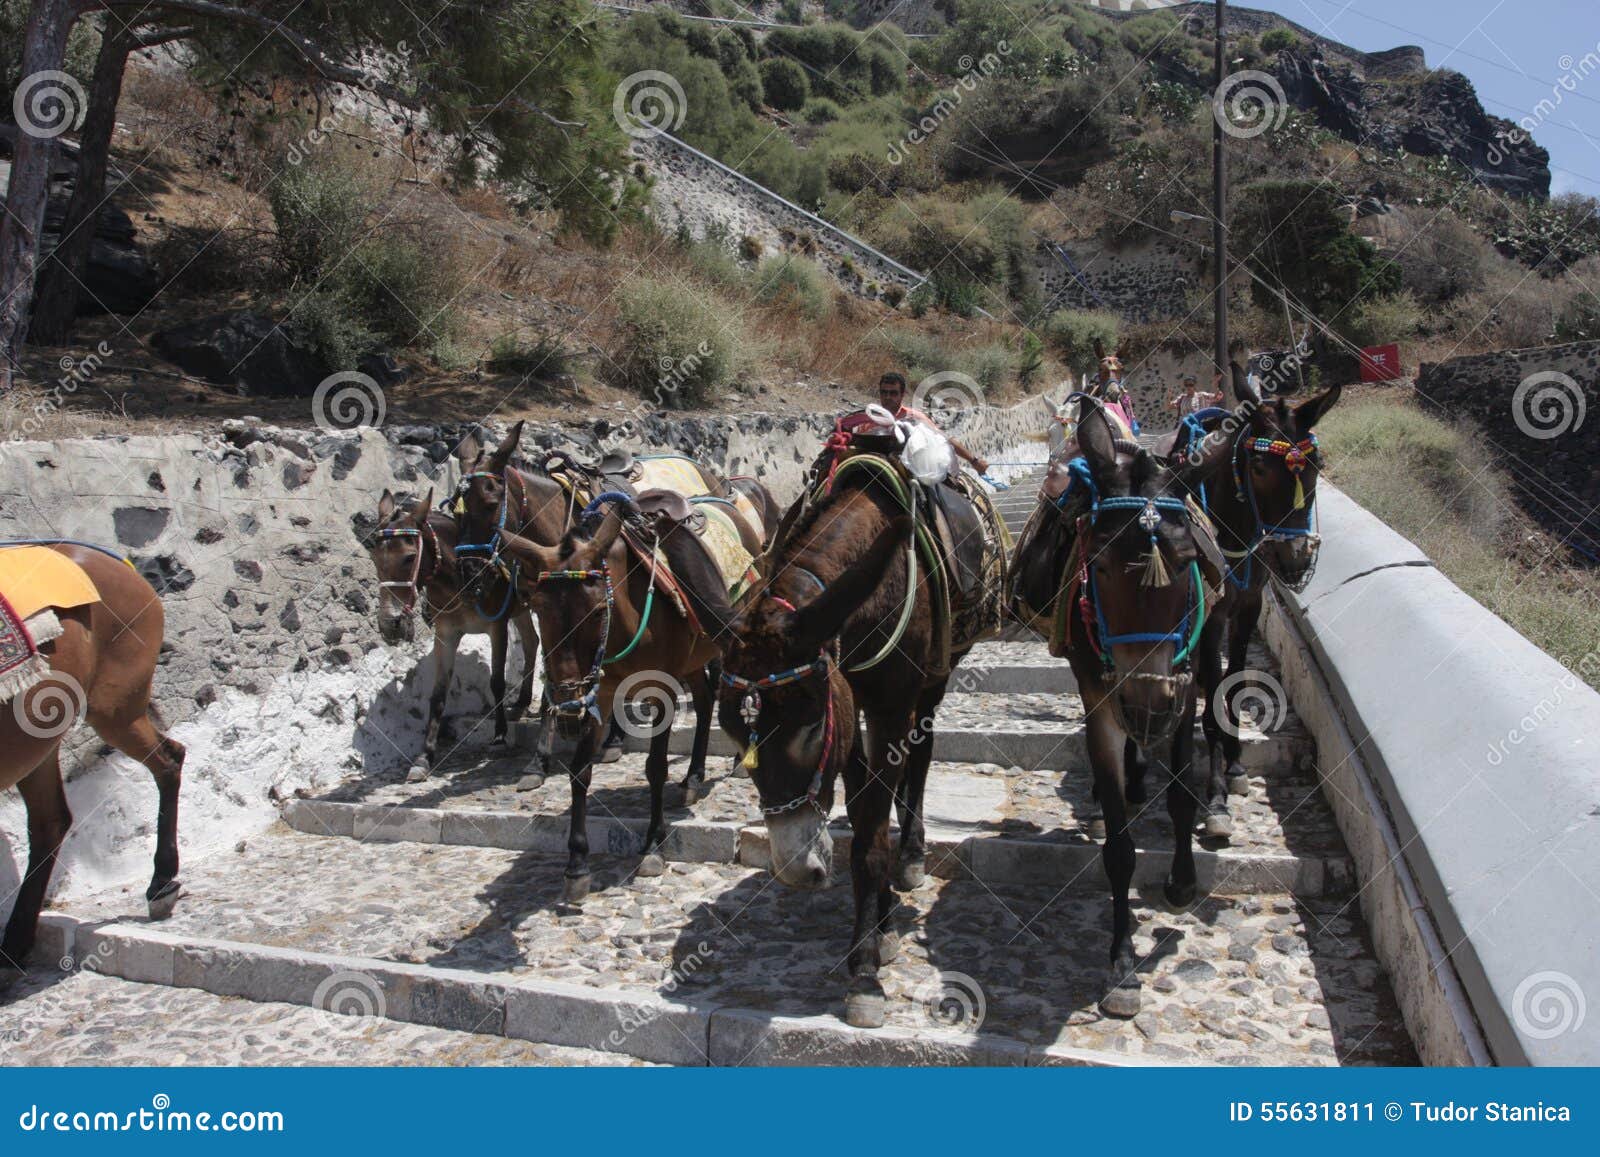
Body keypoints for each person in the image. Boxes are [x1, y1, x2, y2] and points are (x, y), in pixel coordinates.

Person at [838, 372, 990, 475]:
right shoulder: (868, 420)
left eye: (893, 393)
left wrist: (974, 461)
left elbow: (944, 439)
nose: (888, 397)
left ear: (902, 394)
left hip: (908, 469)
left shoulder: (914, 417)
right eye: (884, 392)